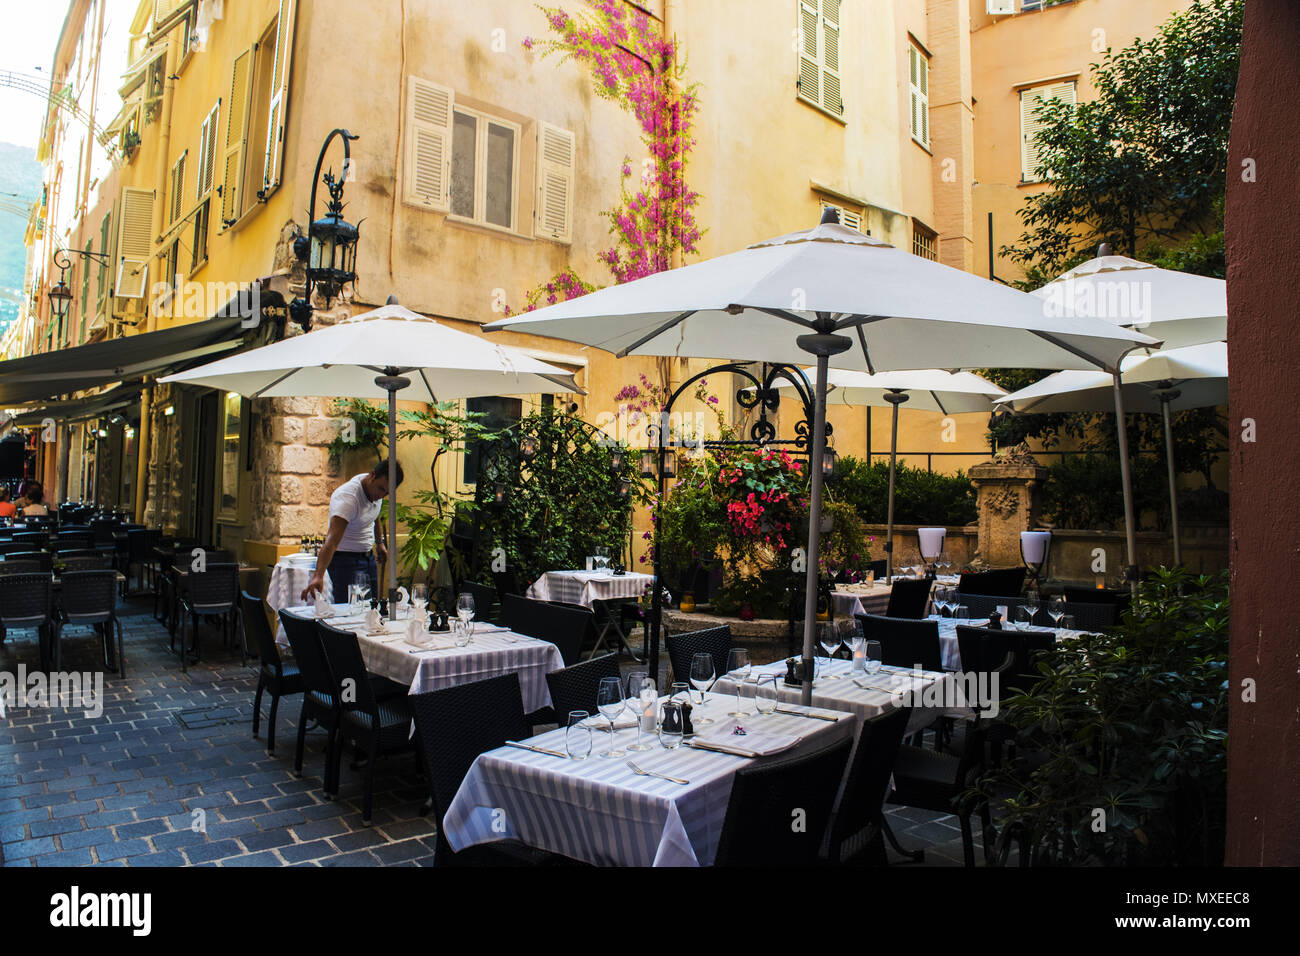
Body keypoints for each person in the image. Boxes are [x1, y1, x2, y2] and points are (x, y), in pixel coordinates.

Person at [301, 460, 405, 605]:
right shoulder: (348, 498)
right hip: (346, 562)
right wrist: (318, 576)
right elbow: (331, 541)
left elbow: (375, 517)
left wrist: (379, 543)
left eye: (386, 493)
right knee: (350, 613)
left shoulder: (375, 491)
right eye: (381, 489)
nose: (381, 495)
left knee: (371, 610)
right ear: (372, 475)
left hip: (368, 559)